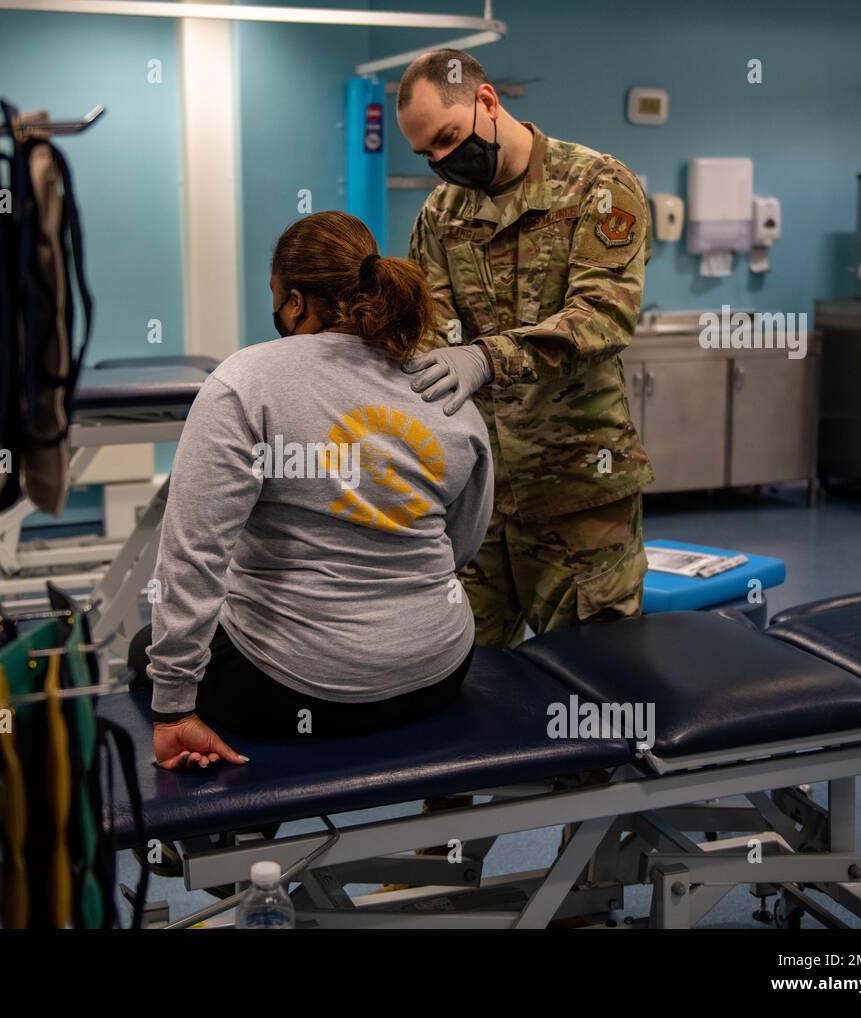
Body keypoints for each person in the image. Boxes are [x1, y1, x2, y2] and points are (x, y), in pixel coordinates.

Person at [130, 211, 494, 771]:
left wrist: (175, 708)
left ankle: (230, 839)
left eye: (277, 297)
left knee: (143, 656)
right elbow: (462, 544)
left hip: (293, 690)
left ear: (294, 302)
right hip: (438, 671)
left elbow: (192, 555)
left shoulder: (245, 381)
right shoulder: (445, 390)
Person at [396, 49, 654, 647]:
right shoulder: (443, 213)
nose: (442, 160)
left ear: (487, 102)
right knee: (463, 667)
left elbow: (601, 318)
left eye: (448, 138)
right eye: (426, 152)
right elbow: (426, 328)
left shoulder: (597, 185)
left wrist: (487, 358)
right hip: (479, 496)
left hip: (577, 495)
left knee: (599, 681)